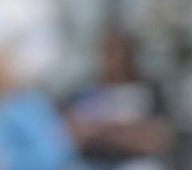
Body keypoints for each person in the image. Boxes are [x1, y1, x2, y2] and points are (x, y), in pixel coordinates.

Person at [64, 29, 170, 170]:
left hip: (133, 163)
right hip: (91, 162)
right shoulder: (83, 91)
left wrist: (110, 133)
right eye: (106, 53)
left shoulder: (148, 90)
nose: (110, 61)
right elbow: (68, 134)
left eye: (116, 54)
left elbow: (156, 138)